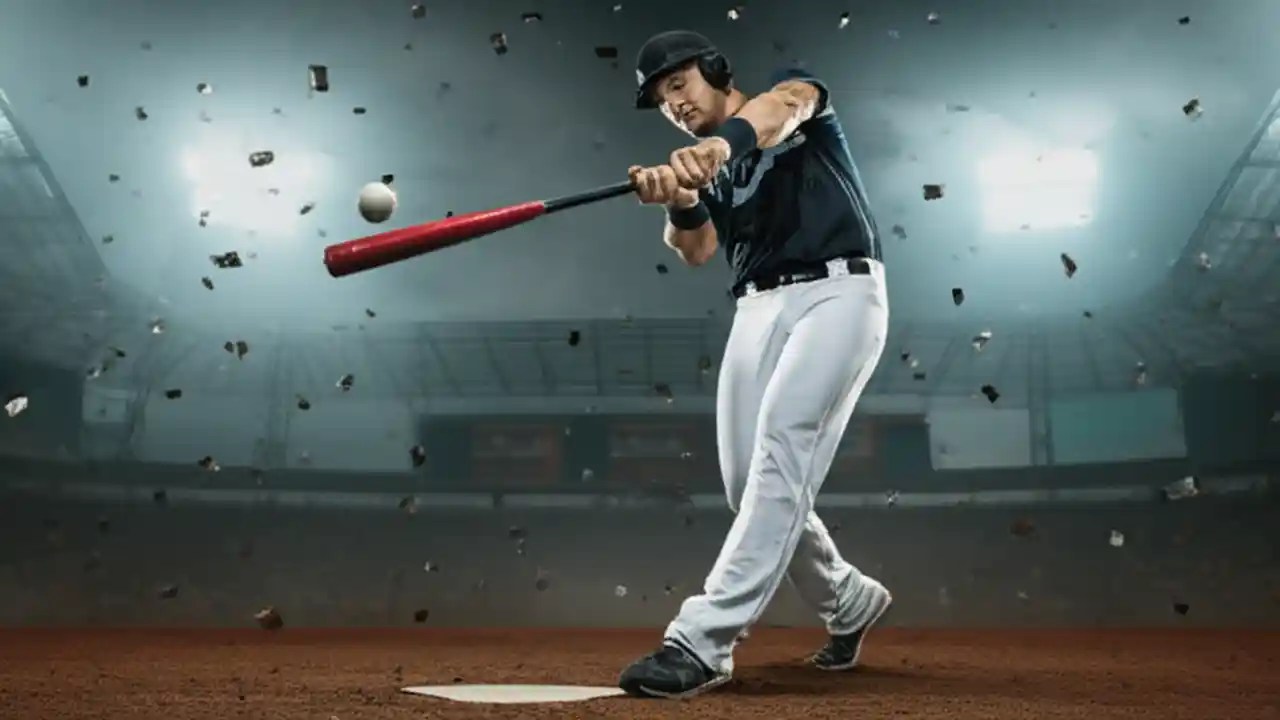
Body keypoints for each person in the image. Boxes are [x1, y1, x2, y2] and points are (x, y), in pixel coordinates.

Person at [617, 30, 893, 699]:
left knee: (781, 450)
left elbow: (783, 109)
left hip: (839, 291)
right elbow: (696, 250)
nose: (673, 103)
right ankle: (846, 599)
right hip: (756, 307)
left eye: (679, 83)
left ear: (714, 70)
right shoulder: (707, 166)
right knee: (747, 483)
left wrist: (716, 147)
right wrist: (679, 196)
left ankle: (703, 641)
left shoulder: (786, 97)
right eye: (660, 98)